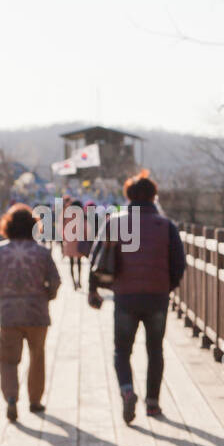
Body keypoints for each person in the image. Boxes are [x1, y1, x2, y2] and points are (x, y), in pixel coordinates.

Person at [88, 170, 185, 424]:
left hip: (125, 297)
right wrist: (168, 286)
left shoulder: (116, 222)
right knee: (155, 350)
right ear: (154, 196)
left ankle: (127, 390)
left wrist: (93, 290)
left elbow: (96, 259)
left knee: (122, 351)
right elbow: (179, 263)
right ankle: (152, 404)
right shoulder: (166, 226)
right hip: (157, 297)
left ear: (128, 196)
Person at [0, 203, 61, 421]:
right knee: (37, 357)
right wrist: (48, 296)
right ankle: (35, 401)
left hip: (9, 313)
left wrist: (2, 295)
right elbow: (55, 280)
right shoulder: (42, 252)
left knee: (8, 359)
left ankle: (10, 397)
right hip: (37, 312)